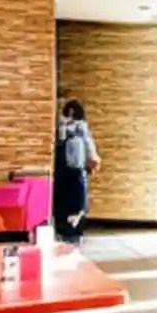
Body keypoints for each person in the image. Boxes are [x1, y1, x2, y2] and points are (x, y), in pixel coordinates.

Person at [53, 99, 100, 244]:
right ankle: (70, 229)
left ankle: (69, 229)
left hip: (69, 171)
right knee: (75, 203)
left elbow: (89, 149)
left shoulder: (72, 128)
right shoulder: (79, 128)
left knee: (69, 203)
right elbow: (89, 148)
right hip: (73, 172)